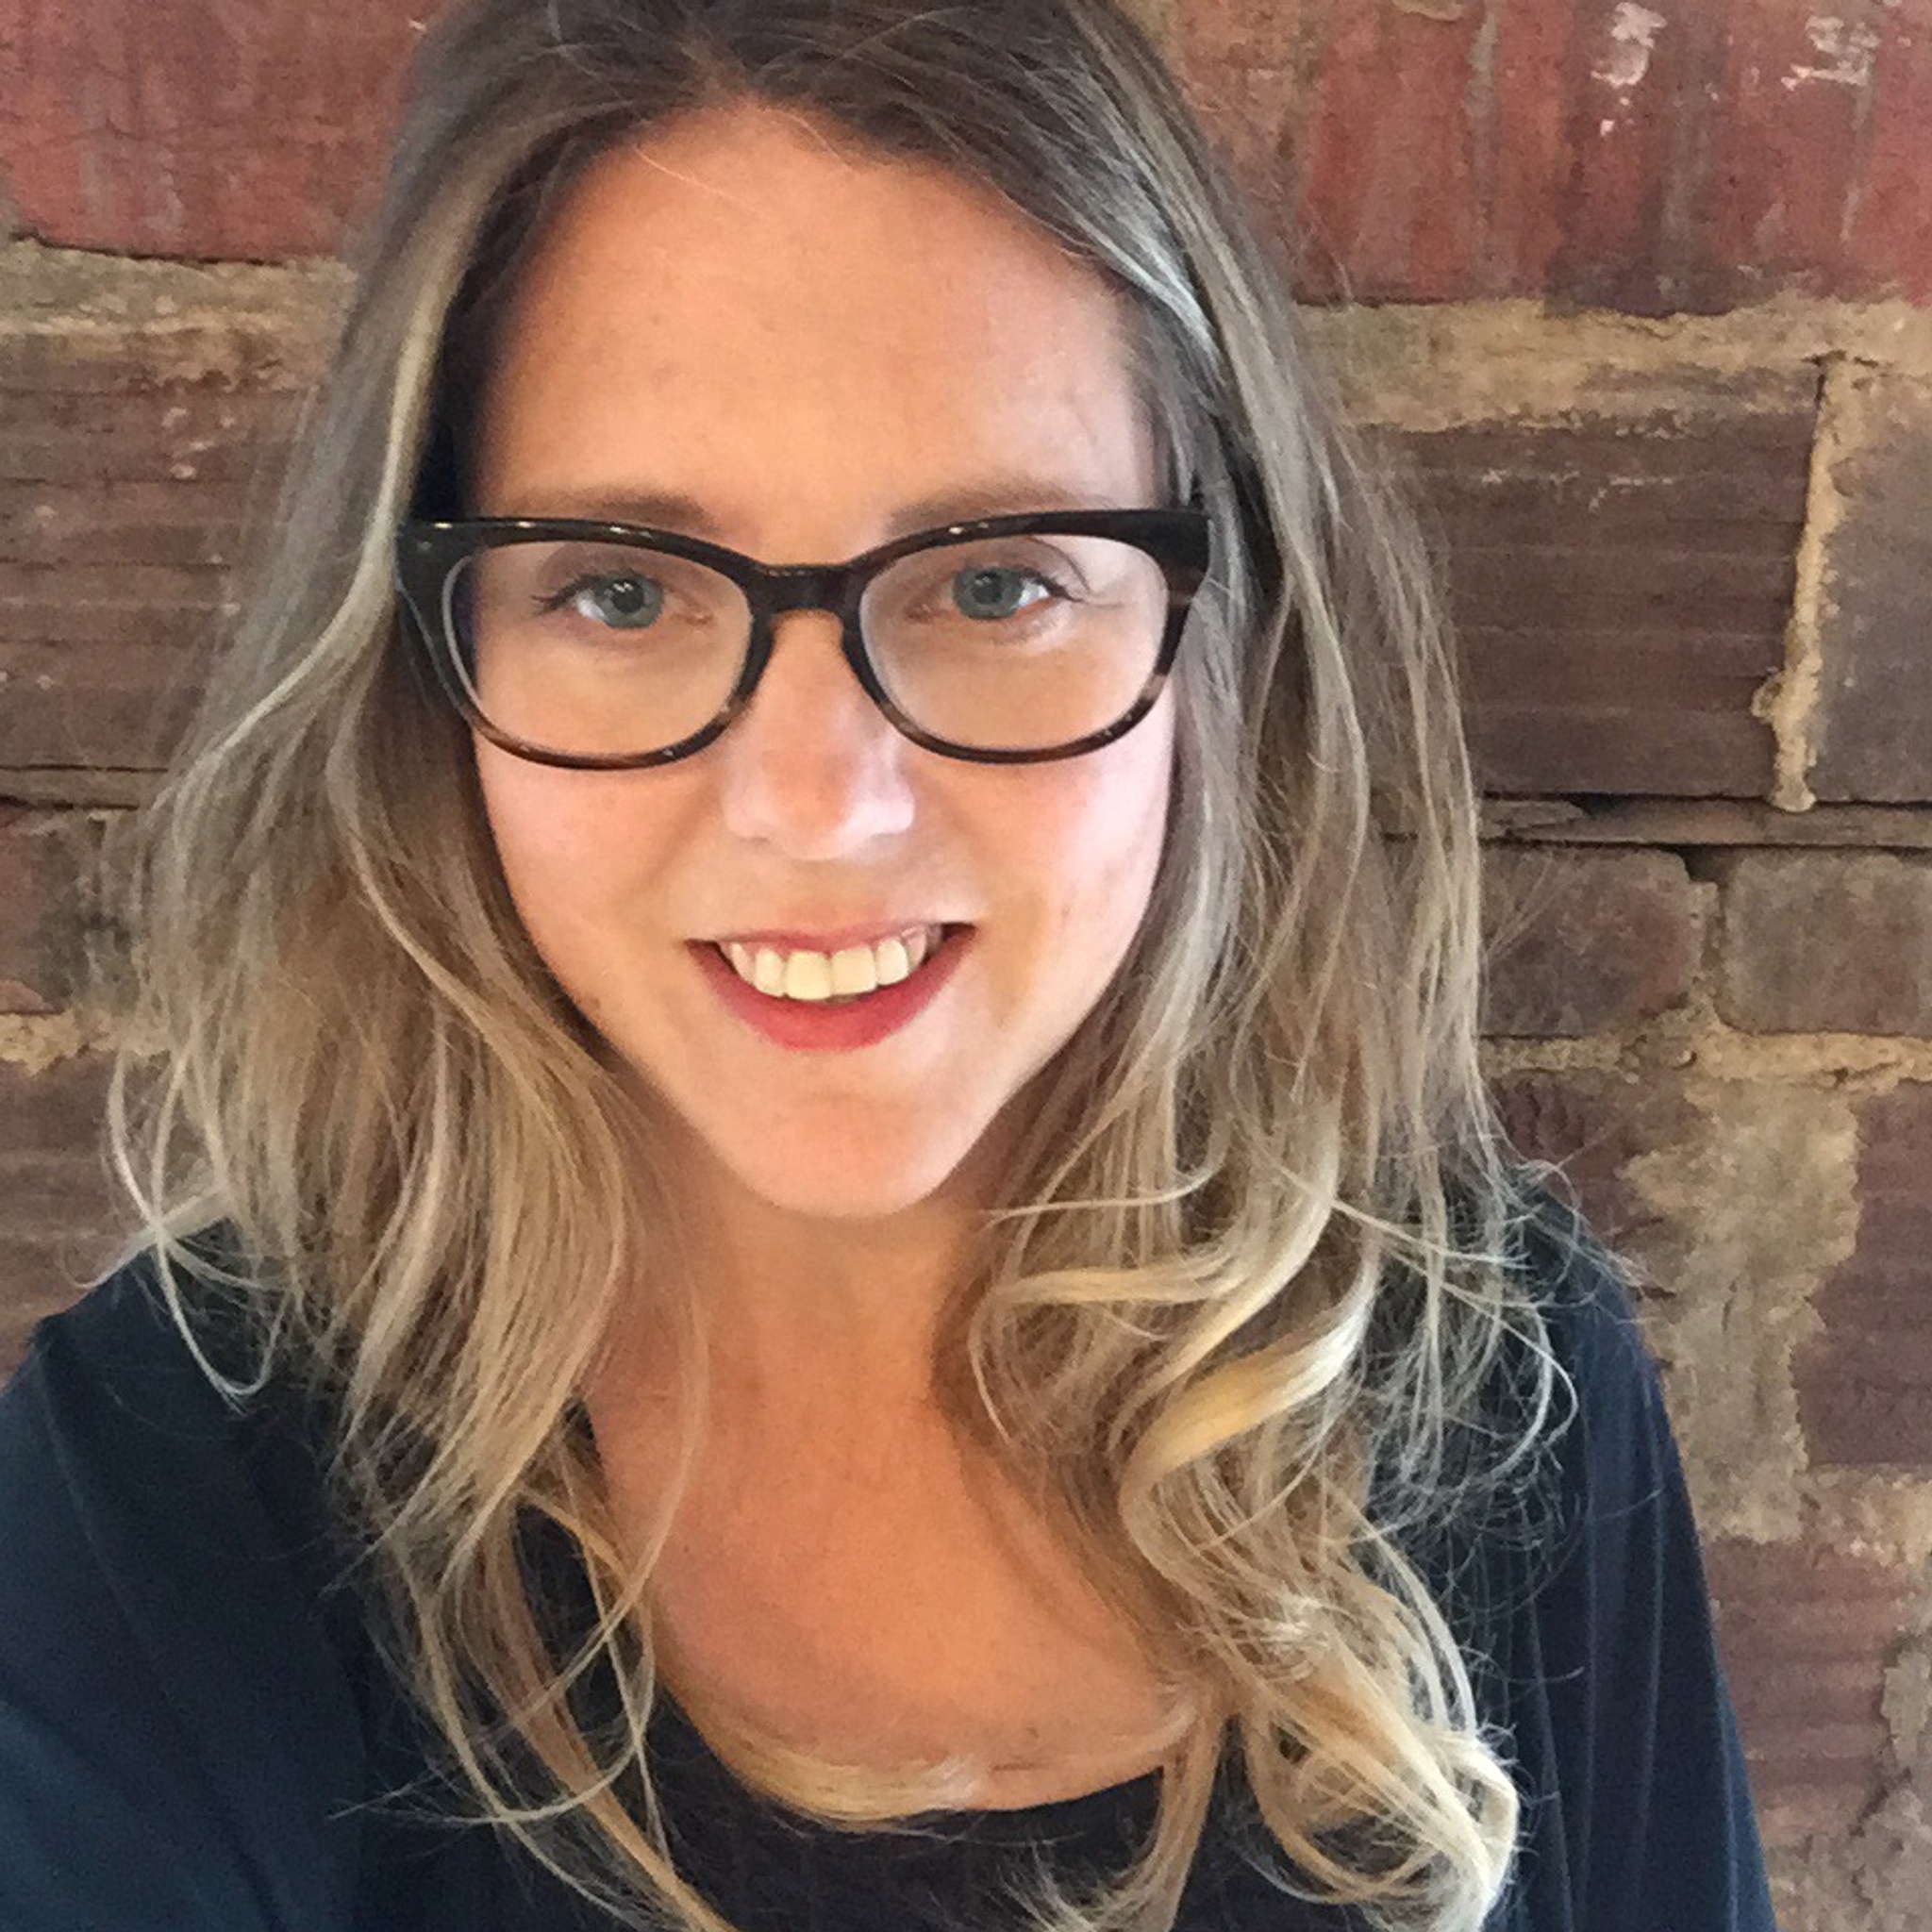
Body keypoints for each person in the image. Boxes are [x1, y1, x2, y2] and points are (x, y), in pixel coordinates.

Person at [0, 3, 1777, 1929]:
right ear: (439, 667)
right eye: (620, 590)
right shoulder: (169, 1509)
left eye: (995, 582)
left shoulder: (1486, 1366)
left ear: (1214, 634)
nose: (818, 808)